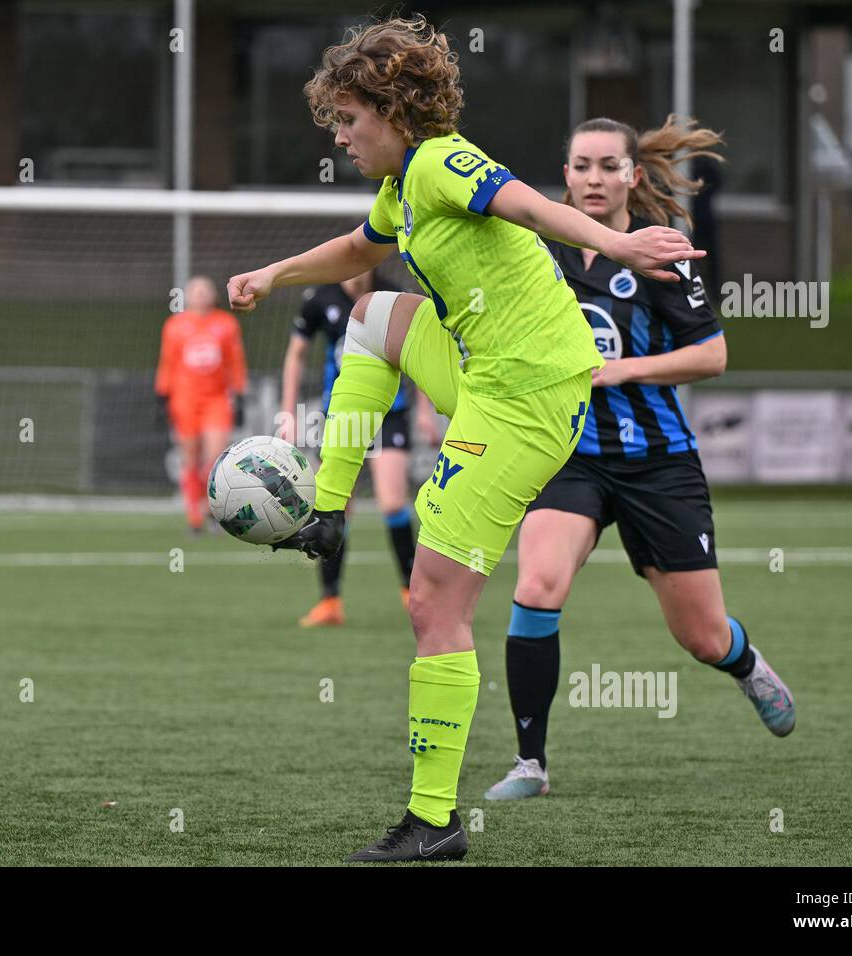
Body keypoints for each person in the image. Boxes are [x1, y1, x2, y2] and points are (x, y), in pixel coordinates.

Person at [226, 16, 702, 862]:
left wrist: (615, 238)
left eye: (348, 119)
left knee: (433, 603)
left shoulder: (442, 160)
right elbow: (353, 251)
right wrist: (274, 273)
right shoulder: (402, 186)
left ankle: (434, 822)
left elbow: (528, 203)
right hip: (484, 367)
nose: (339, 136)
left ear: (392, 109)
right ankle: (328, 512)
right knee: (369, 318)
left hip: (526, 395)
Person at [484, 117, 795, 803]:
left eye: (607, 166)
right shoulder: (532, 255)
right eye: (581, 166)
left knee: (703, 636)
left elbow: (712, 356)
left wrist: (624, 372)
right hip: (570, 458)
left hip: (659, 462)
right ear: (563, 175)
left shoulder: (660, 254)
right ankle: (529, 764)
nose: (593, 179)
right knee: (537, 586)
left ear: (633, 176)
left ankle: (745, 664)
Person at [277, 268, 437, 626]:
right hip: (342, 414)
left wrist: (425, 409)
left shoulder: (392, 295)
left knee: (393, 501)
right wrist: (288, 410)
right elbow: (296, 354)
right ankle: (330, 601)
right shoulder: (320, 298)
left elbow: (421, 352)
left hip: (390, 412)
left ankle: (413, 594)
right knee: (337, 506)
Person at [155, 276, 247, 534]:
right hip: (184, 400)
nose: (201, 295)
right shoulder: (175, 325)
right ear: (186, 295)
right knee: (190, 458)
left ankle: (210, 508)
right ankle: (193, 516)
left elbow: (235, 361)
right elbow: (167, 363)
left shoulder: (226, 324)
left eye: (206, 290)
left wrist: (239, 394)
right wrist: (162, 395)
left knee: (216, 457)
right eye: (196, 291)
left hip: (216, 400)